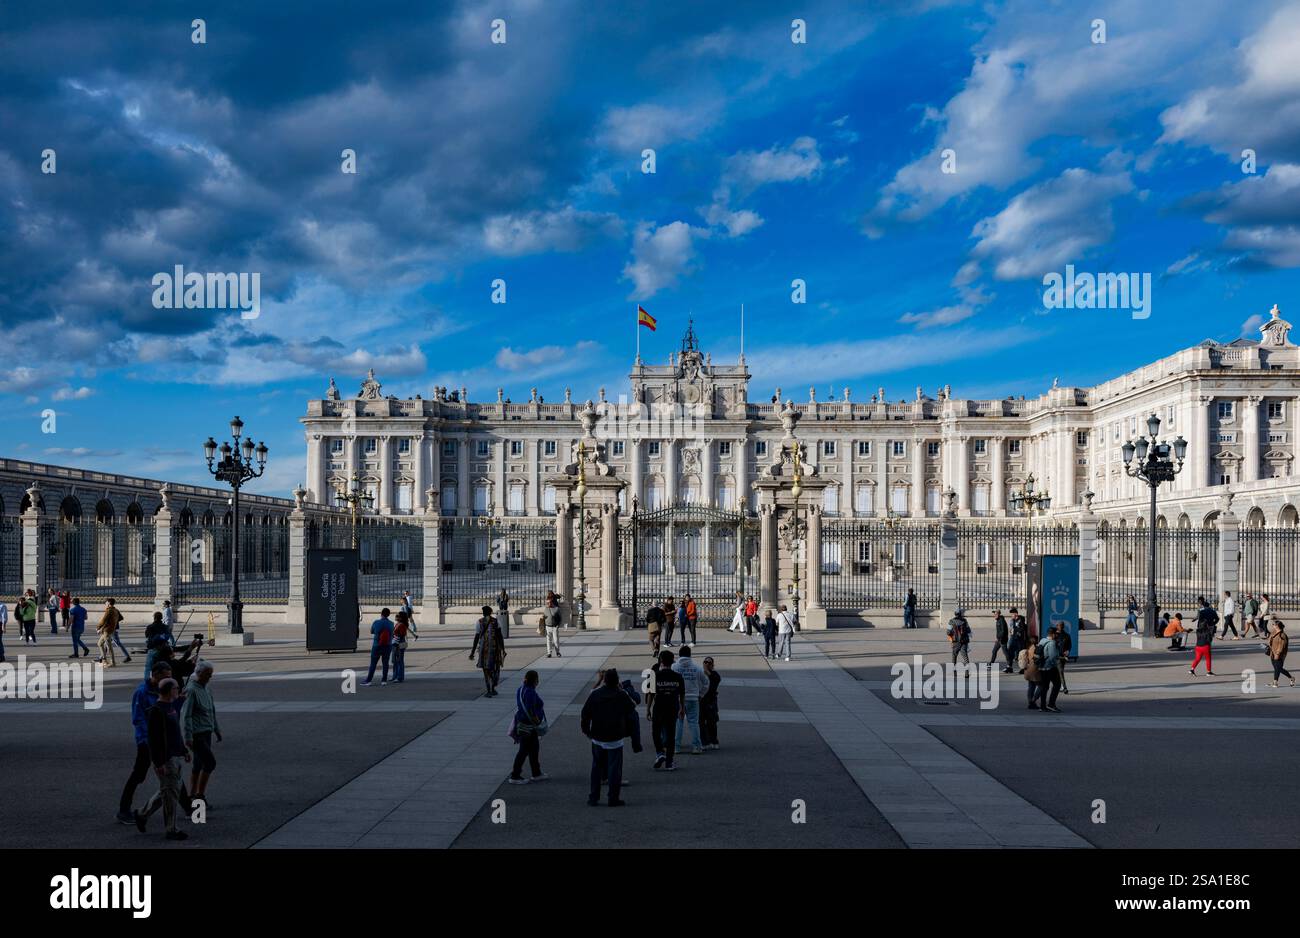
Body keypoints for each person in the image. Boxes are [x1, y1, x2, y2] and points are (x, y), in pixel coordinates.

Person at [134, 677, 191, 841]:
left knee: (169, 790)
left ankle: (142, 814)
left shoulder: (171, 706)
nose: (178, 690)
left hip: (175, 756)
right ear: (168, 691)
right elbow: (154, 740)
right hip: (166, 760)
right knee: (171, 794)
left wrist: (183, 750)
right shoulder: (156, 711)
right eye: (176, 688)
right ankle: (171, 829)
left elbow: (175, 733)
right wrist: (158, 763)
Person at [118, 661, 172, 825]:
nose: (168, 681)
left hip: (162, 740)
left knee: (172, 773)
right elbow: (138, 719)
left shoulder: (163, 690)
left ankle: (188, 807)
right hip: (147, 741)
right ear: (155, 675)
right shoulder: (142, 692)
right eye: (165, 677)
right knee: (139, 775)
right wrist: (147, 740)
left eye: (170, 677)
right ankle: (123, 810)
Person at [580, 669, 635, 806]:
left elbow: (585, 713)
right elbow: (632, 707)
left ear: (604, 680)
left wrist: (586, 730)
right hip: (615, 736)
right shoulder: (621, 695)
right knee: (614, 768)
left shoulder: (595, 695)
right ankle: (613, 798)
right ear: (617, 681)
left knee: (596, 767)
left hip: (598, 735)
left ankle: (593, 797)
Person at [181, 661, 221, 807]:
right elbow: (186, 715)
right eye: (207, 675)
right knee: (210, 762)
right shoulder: (191, 690)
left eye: (211, 675)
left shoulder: (207, 688)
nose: (209, 677)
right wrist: (187, 736)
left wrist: (216, 729)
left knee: (198, 764)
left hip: (206, 731)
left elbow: (212, 709)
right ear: (198, 674)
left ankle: (192, 794)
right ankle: (199, 795)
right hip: (196, 733)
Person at [508, 670, 549, 784]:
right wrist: (538, 723)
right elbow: (531, 711)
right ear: (535, 680)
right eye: (537, 679)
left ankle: (536, 773)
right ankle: (515, 776)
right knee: (524, 750)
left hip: (523, 724)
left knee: (533, 749)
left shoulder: (521, 689)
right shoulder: (530, 692)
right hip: (528, 726)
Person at [647, 650, 685, 771]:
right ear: (673, 661)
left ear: (661, 661)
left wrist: (648, 709)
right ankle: (669, 762)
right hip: (672, 707)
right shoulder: (678, 676)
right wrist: (682, 708)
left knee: (656, 731)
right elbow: (682, 694)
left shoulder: (655, 676)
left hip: (659, 706)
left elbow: (651, 694)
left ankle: (660, 753)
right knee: (671, 733)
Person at [673, 645, 708, 755]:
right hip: (693, 697)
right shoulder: (697, 667)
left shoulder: (674, 667)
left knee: (678, 722)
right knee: (694, 723)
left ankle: (676, 746)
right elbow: (706, 683)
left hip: (678, 698)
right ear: (690, 655)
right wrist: (701, 694)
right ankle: (696, 746)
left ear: (679, 654)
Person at [469, 605, 506, 696]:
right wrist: (503, 649)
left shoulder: (479, 622)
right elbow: (500, 636)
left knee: (486, 670)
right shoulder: (496, 621)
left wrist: (472, 652)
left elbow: (477, 637)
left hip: (483, 649)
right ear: (490, 612)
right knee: (494, 668)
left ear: (483, 613)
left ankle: (489, 690)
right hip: (495, 648)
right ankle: (493, 688)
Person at [362, 608, 395, 686]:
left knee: (373, 663)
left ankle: (369, 680)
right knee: (385, 663)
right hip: (388, 645)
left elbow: (372, 631)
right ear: (389, 615)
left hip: (377, 645)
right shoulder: (391, 623)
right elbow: (392, 633)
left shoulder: (376, 622)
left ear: (381, 614)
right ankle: (384, 680)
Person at [1036, 626, 1063, 713]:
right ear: (1053, 634)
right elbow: (1053, 657)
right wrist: (1060, 659)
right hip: (1050, 668)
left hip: (1041, 667)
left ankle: (1042, 706)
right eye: (1056, 634)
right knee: (1057, 684)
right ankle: (1051, 704)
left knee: (1044, 687)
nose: (1057, 635)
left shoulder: (1042, 640)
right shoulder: (1051, 643)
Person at [1190, 596, 1218, 676]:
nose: (1199, 603)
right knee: (1207, 645)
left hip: (1201, 628)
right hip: (1208, 628)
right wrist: (1212, 623)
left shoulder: (1201, 611)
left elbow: (1199, 618)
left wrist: (1197, 621)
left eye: (1200, 601)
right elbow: (1217, 619)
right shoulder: (1212, 611)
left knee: (1200, 650)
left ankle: (1192, 669)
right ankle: (1208, 671)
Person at [700, 656, 721, 750]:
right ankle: (704, 741)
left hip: (711, 701)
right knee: (701, 722)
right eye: (705, 662)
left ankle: (714, 740)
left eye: (709, 663)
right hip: (701, 701)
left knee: (712, 722)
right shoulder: (700, 674)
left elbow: (714, 683)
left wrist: (707, 672)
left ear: (712, 665)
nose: (707, 664)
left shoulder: (715, 675)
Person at [97, 598, 125, 667]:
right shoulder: (116, 610)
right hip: (110, 629)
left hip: (107, 630)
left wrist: (98, 627)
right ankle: (104, 660)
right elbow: (121, 618)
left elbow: (103, 620)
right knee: (100, 643)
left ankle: (112, 662)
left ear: (109, 603)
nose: (105, 603)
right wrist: (113, 622)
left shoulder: (109, 610)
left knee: (109, 646)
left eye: (106, 602)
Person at [1266, 619, 1294, 688]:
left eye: (1274, 625)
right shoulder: (1273, 633)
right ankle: (1291, 678)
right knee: (1278, 668)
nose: (1272, 626)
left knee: (1277, 668)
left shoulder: (1282, 635)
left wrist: (1278, 654)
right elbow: (1270, 641)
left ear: (1277, 626)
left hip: (1279, 654)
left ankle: (1275, 682)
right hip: (1272, 653)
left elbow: (1282, 646)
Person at [391, 610, 414, 683]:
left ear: (401, 618)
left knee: (399, 661)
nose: (396, 617)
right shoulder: (398, 624)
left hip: (400, 644)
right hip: (398, 643)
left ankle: (399, 677)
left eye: (397, 616)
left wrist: (394, 637)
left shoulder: (401, 625)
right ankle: (395, 676)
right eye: (396, 615)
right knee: (395, 661)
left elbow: (401, 635)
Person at [1021, 631, 1041, 709]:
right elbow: (1038, 659)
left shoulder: (1028, 648)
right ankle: (1033, 701)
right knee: (1041, 686)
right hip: (1034, 670)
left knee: (1031, 686)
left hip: (1028, 670)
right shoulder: (1036, 648)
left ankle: (1030, 702)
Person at [543, 590, 562, 658]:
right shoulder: (545, 609)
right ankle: (549, 653)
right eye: (547, 603)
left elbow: (560, 618)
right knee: (548, 641)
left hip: (554, 627)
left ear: (552, 602)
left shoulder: (556, 609)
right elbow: (544, 616)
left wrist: (558, 625)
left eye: (549, 603)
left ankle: (557, 652)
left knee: (556, 640)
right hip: (547, 626)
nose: (548, 604)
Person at [1007, 607, 1027, 672]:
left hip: (1019, 639)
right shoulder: (1012, 620)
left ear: (1015, 614)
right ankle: (1009, 666)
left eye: (1012, 614)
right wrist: (1011, 631)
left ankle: (1022, 668)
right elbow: (1011, 628)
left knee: (1021, 654)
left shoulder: (1021, 619)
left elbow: (1022, 628)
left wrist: (1015, 630)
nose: (1011, 615)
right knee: (1010, 652)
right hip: (1013, 638)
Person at [1056, 623, 1073, 694]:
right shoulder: (1055, 635)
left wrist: (1068, 651)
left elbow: (1070, 645)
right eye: (1060, 626)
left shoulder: (1067, 635)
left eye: (1062, 626)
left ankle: (1064, 687)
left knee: (1060, 672)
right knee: (1059, 672)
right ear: (1057, 627)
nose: (1061, 627)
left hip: (1062, 657)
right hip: (1057, 656)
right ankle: (1062, 687)